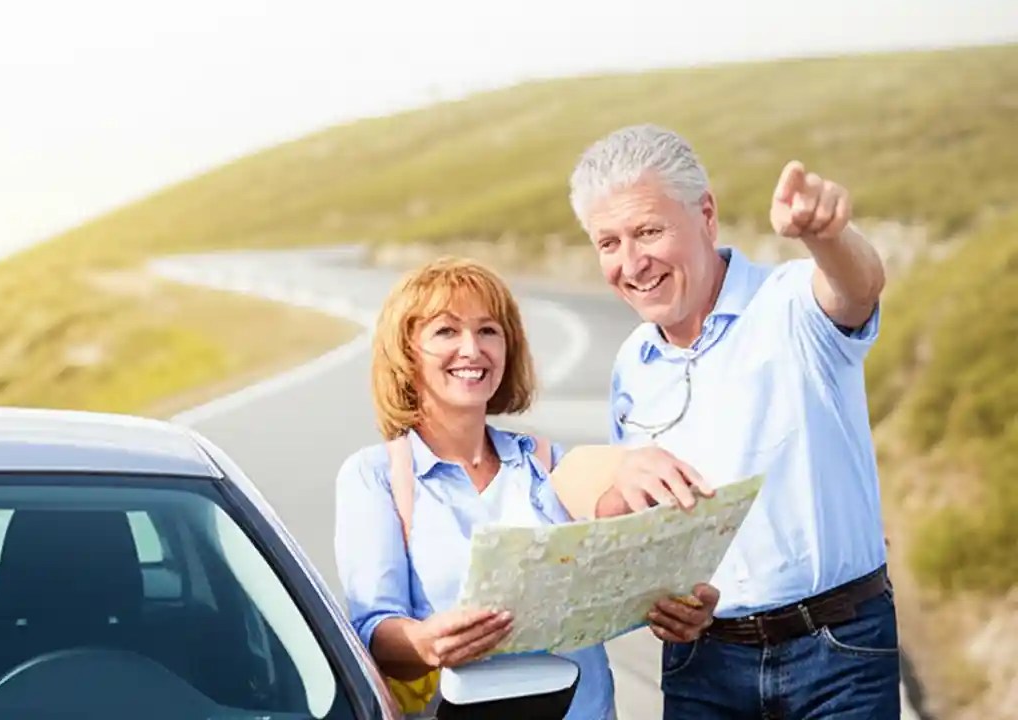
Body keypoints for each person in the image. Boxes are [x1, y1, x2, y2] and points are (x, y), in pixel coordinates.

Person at [566, 124, 899, 718]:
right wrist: (660, 600)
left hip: (837, 655)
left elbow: (858, 287)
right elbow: (651, 535)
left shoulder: (792, 301)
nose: (632, 262)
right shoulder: (632, 367)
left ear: (707, 216)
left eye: (648, 231)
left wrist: (828, 236)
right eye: (608, 243)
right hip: (703, 667)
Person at [333, 256, 719, 720]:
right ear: (406, 353)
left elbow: (618, 553)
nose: (472, 349)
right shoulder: (375, 477)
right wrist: (425, 643)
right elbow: (371, 628)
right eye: (446, 332)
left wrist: (678, 603)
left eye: (488, 331)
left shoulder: (548, 461)